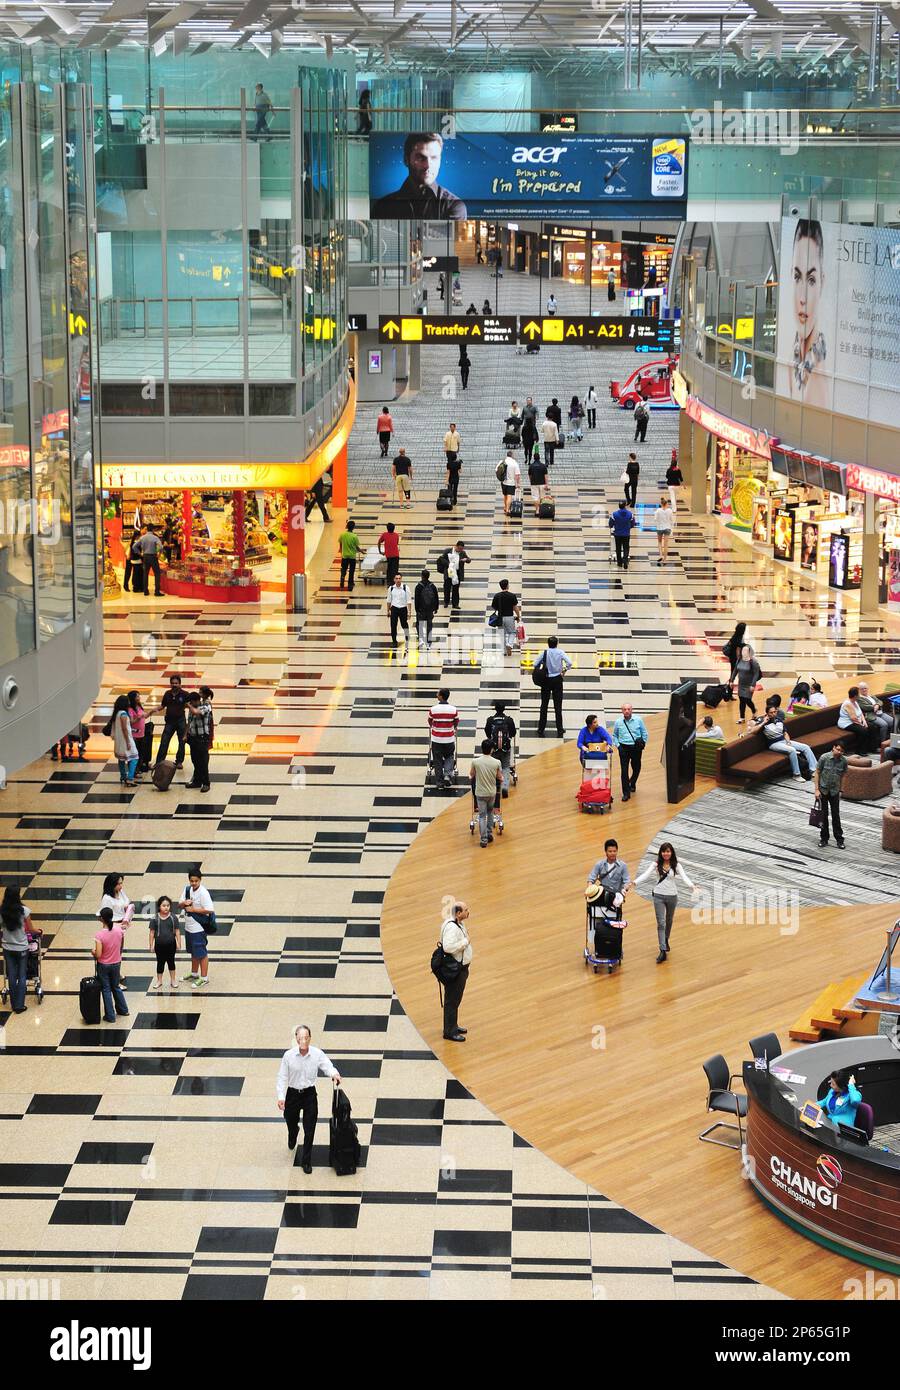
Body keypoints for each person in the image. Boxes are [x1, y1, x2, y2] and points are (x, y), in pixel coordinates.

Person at [276, 1024, 342, 1171]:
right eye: (300, 1038)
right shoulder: (288, 1056)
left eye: (306, 1038)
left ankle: (306, 1161)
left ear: (310, 1038)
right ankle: (293, 1133)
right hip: (293, 1094)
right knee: (290, 1119)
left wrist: (334, 1074)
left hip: (309, 1094)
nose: (303, 1041)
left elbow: (327, 1066)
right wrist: (281, 1097)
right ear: (296, 1039)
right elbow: (282, 1077)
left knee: (310, 1128)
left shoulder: (317, 1054)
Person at [784, 218, 829, 408]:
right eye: (797, 277)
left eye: (811, 280)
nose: (802, 297)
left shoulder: (818, 377)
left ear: (822, 283)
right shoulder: (792, 358)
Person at [371, 132, 467, 219]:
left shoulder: (454, 206)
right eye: (421, 157)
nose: (428, 166)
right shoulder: (382, 207)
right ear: (406, 160)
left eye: (434, 158)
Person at [634, 841, 698, 964]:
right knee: (661, 923)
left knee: (669, 920)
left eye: (668, 851)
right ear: (661, 853)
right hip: (658, 896)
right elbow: (646, 875)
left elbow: (684, 877)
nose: (666, 853)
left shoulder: (676, 865)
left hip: (672, 896)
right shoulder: (656, 864)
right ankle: (662, 949)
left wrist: (692, 886)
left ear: (671, 852)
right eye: (664, 851)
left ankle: (666, 939)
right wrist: (635, 882)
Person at [439, 902, 472, 1041]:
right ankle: (449, 1032)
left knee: (454, 999)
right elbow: (448, 947)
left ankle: (452, 1025)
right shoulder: (452, 928)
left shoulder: (457, 923)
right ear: (458, 913)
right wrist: (465, 942)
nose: (468, 911)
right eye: (466, 910)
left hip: (460, 968)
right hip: (456, 970)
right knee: (452, 1001)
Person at [760, 701, 817, 781]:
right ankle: (796, 775)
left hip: (783, 741)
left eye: (775, 712)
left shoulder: (779, 720)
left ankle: (814, 770)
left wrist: (788, 742)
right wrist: (763, 722)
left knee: (805, 747)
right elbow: (753, 731)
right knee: (792, 750)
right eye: (771, 712)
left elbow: (785, 733)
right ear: (767, 713)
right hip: (773, 744)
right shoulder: (764, 723)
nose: (773, 714)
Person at [179, 866, 214, 989]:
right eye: (191, 881)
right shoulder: (187, 889)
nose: (193, 883)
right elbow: (179, 904)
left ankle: (204, 978)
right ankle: (194, 973)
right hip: (189, 926)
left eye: (196, 881)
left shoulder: (203, 893)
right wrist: (184, 903)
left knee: (201, 952)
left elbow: (209, 909)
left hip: (198, 927)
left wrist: (193, 909)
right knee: (193, 951)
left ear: (200, 880)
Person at [93, 907, 129, 1023]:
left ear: (101, 919)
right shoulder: (119, 930)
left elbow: (98, 954)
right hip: (116, 962)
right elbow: (121, 945)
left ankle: (110, 1015)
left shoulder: (99, 935)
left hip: (104, 965)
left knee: (106, 989)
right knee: (116, 987)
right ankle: (124, 1010)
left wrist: (92, 952)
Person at [1, 886, 31, 1014]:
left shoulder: (2, 911)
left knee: (11, 975)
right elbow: (30, 929)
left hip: (8, 947)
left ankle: (14, 1004)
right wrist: (39, 932)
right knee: (22, 975)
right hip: (22, 947)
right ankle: (20, 1005)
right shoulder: (24, 911)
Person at [814, 740, 848, 849]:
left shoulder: (843, 761)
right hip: (823, 790)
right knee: (823, 816)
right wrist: (816, 790)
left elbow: (843, 776)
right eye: (838, 750)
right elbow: (817, 773)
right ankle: (824, 838)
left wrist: (841, 790)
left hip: (834, 792)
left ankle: (839, 839)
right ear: (833, 748)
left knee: (836, 816)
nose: (839, 752)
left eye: (842, 751)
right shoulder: (824, 758)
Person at [611, 703, 649, 802]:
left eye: (628, 709)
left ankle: (632, 782)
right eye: (624, 709)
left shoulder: (638, 720)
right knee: (624, 771)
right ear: (621, 711)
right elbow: (615, 735)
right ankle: (626, 793)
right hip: (623, 748)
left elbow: (644, 733)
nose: (626, 711)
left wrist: (642, 743)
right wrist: (618, 746)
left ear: (632, 710)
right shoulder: (618, 722)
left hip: (636, 748)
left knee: (636, 768)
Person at [535, 635, 572, 738]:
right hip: (557, 680)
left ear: (548, 643)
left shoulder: (544, 652)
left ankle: (541, 729)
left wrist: (542, 666)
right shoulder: (560, 652)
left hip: (546, 680)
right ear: (557, 643)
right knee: (558, 706)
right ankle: (560, 729)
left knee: (544, 705)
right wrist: (564, 670)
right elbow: (570, 663)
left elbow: (534, 663)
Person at [470, 738, 503, 848]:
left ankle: (483, 839)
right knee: (490, 813)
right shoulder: (497, 762)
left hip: (480, 793)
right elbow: (499, 777)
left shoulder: (475, 762)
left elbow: (471, 775)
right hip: (491, 792)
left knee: (482, 815)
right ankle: (489, 834)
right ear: (492, 750)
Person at [154, 673, 189, 770]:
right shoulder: (167, 694)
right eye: (172, 683)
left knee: (182, 742)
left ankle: (179, 761)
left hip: (181, 721)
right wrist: (154, 710)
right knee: (164, 741)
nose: (174, 685)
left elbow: (190, 705)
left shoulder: (185, 694)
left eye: (176, 683)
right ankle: (159, 762)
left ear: (180, 684)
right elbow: (163, 705)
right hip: (169, 722)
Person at [148, 895, 181, 993]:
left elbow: (177, 931)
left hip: (171, 945)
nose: (166, 907)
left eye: (168, 905)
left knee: (171, 962)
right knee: (160, 963)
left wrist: (179, 943)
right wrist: (151, 945)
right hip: (159, 946)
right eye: (163, 905)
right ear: (159, 906)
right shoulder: (154, 919)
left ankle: (173, 980)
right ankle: (159, 980)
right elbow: (152, 933)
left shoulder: (173, 917)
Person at [587, 840, 631, 911]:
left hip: (616, 898)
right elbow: (591, 879)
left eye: (614, 851)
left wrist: (624, 890)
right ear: (606, 852)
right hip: (602, 896)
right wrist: (589, 890)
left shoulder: (623, 866)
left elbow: (627, 881)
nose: (612, 853)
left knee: (615, 920)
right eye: (610, 851)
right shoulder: (599, 864)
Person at [428, 688, 459, 787]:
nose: (436, 694)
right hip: (449, 739)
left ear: (441, 696)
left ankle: (439, 782)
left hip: (436, 739)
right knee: (449, 756)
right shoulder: (453, 709)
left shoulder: (433, 709)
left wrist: (436, 727)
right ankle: (447, 775)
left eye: (438, 693)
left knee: (437, 760)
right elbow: (456, 722)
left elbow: (430, 721)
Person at [485, 700, 516, 797]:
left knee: (493, 766)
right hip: (505, 748)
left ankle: (492, 786)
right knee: (506, 767)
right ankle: (505, 787)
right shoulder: (509, 720)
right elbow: (513, 733)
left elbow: (487, 731)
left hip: (493, 748)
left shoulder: (490, 720)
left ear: (495, 709)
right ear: (504, 709)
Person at [185, 691, 212, 793]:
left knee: (203, 762)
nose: (191, 704)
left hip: (202, 738)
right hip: (193, 737)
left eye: (192, 702)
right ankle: (197, 781)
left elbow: (197, 712)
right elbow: (189, 722)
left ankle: (206, 783)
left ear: (197, 700)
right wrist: (185, 735)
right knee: (195, 760)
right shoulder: (192, 708)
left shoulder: (206, 706)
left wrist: (189, 706)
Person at [111, 694, 139, 787]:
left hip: (119, 740)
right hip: (125, 739)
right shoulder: (123, 714)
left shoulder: (117, 713)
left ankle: (123, 776)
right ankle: (130, 778)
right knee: (135, 757)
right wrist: (128, 741)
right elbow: (124, 728)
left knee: (121, 758)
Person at [491, 578, 521, 658]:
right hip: (509, 617)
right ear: (507, 585)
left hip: (500, 618)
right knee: (512, 632)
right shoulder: (512, 595)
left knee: (502, 634)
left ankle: (504, 652)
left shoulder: (497, 596)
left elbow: (494, 607)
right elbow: (515, 607)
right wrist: (518, 616)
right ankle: (509, 644)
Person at [733, 644, 762, 723]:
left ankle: (754, 710)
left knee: (747, 700)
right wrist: (732, 680)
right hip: (741, 684)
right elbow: (735, 670)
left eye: (746, 650)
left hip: (749, 685)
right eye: (743, 650)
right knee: (742, 700)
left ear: (749, 652)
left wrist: (753, 685)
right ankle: (742, 718)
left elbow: (756, 674)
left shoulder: (753, 661)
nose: (744, 652)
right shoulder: (739, 659)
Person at [438, 539, 469, 609]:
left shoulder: (462, 553)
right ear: (456, 546)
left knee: (456, 589)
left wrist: (466, 559)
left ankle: (455, 604)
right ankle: (446, 602)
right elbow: (441, 559)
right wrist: (449, 564)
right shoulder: (448, 551)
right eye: (460, 548)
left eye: (462, 549)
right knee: (447, 588)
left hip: (457, 572)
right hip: (450, 571)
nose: (461, 550)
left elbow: (469, 560)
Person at [837, 686, 870, 751]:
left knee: (872, 726)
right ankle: (860, 750)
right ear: (855, 696)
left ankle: (871, 748)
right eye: (858, 694)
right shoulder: (848, 704)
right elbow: (853, 719)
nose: (860, 695)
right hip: (846, 723)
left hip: (855, 721)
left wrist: (864, 721)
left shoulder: (855, 701)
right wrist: (862, 725)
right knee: (863, 730)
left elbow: (860, 713)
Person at [414, 569, 440, 649]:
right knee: (429, 625)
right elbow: (436, 597)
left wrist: (417, 609)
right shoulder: (432, 586)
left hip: (421, 610)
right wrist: (436, 608)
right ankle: (429, 641)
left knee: (420, 625)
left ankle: (421, 639)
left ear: (421, 576)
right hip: (430, 610)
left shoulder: (419, 586)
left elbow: (416, 599)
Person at [128, 690, 151, 773]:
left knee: (140, 753)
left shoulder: (139, 706)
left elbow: (145, 716)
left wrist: (151, 712)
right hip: (134, 735)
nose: (139, 697)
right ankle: (134, 771)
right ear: (133, 698)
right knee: (134, 754)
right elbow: (130, 722)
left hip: (142, 734)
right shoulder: (130, 709)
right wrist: (138, 718)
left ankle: (138, 768)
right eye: (137, 696)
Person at [137, 524, 163, 596]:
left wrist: (140, 553)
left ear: (147, 529)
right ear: (153, 529)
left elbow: (134, 546)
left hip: (145, 556)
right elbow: (161, 547)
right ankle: (157, 591)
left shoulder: (142, 538)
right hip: (153, 556)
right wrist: (159, 554)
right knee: (157, 573)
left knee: (145, 573)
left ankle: (146, 591)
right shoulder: (155, 537)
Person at [609, 499, 635, 570]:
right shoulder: (630, 514)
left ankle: (619, 562)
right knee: (626, 548)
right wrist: (628, 527)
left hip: (617, 534)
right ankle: (625, 560)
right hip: (626, 534)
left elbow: (610, 524)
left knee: (618, 548)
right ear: (625, 505)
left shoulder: (614, 514)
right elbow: (633, 524)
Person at [386, 573, 411, 646]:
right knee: (393, 625)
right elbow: (388, 600)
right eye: (396, 578)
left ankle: (407, 636)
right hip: (394, 609)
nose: (398, 580)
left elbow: (409, 601)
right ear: (394, 579)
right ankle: (394, 641)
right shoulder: (391, 588)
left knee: (404, 624)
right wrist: (388, 610)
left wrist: (409, 612)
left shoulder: (406, 588)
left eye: (399, 578)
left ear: (401, 579)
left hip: (403, 609)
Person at [337, 519, 361, 592]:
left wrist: (341, 550)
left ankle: (342, 578)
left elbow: (340, 543)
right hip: (352, 556)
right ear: (353, 527)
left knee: (344, 568)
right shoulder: (354, 536)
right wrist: (361, 551)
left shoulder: (342, 535)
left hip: (344, 556)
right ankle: (350, 584)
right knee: (351, 570)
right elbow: (356, 547)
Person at [497, 449, 520, 517]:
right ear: (512, 455)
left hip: (503, 481)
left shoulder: (502, 461)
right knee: (509, 496)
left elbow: (496, 470)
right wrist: (517, 484)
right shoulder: (514, 463)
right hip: (511, 482)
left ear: (507, 455)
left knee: (505, 495)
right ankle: (507, 509)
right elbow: (517, 475)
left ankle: (505, 507)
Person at [652, 495, 675, 565]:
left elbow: (655, 519)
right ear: (666, 504)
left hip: (659, 528)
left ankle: (661, 555)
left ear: (661, 504)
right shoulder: (670, 511)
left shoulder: (658, 511)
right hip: (667, 528)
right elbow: (671, 520)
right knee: (666, 544)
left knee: (659, 542)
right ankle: (665, 559)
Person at [443, 423, 461, 504]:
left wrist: (458, 449)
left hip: (454, 449)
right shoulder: (447, 433)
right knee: (449, 462)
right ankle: (450, 468)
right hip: (449, 450)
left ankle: (451, 469)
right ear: (450, 427)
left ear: (455, 427)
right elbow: (445, 441)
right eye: (451, 427)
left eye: (453, 427)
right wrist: (445, 448)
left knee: (451, 463)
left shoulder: (457, 434)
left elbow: (458, 442)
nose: (452, 428)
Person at [123, 526, 144, 593]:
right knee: (129, 572)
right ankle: (126, 585)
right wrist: (129, 555)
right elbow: (129, 549)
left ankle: (127, 585)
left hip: (131, 557)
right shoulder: (135, 541)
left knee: (130, 572)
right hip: (131, 557)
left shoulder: (133, 541)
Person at [527, 449, 547, 513]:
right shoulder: (543, 466)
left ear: (534, 458)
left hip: (534, 483)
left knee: (535, 497)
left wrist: (531, 481)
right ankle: (542, 509)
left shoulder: (531, 466)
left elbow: (530, 475)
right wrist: (546, 484)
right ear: (539, 458)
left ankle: (537, 510)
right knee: (542, 497)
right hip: (542, 483)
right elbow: (545, 476)